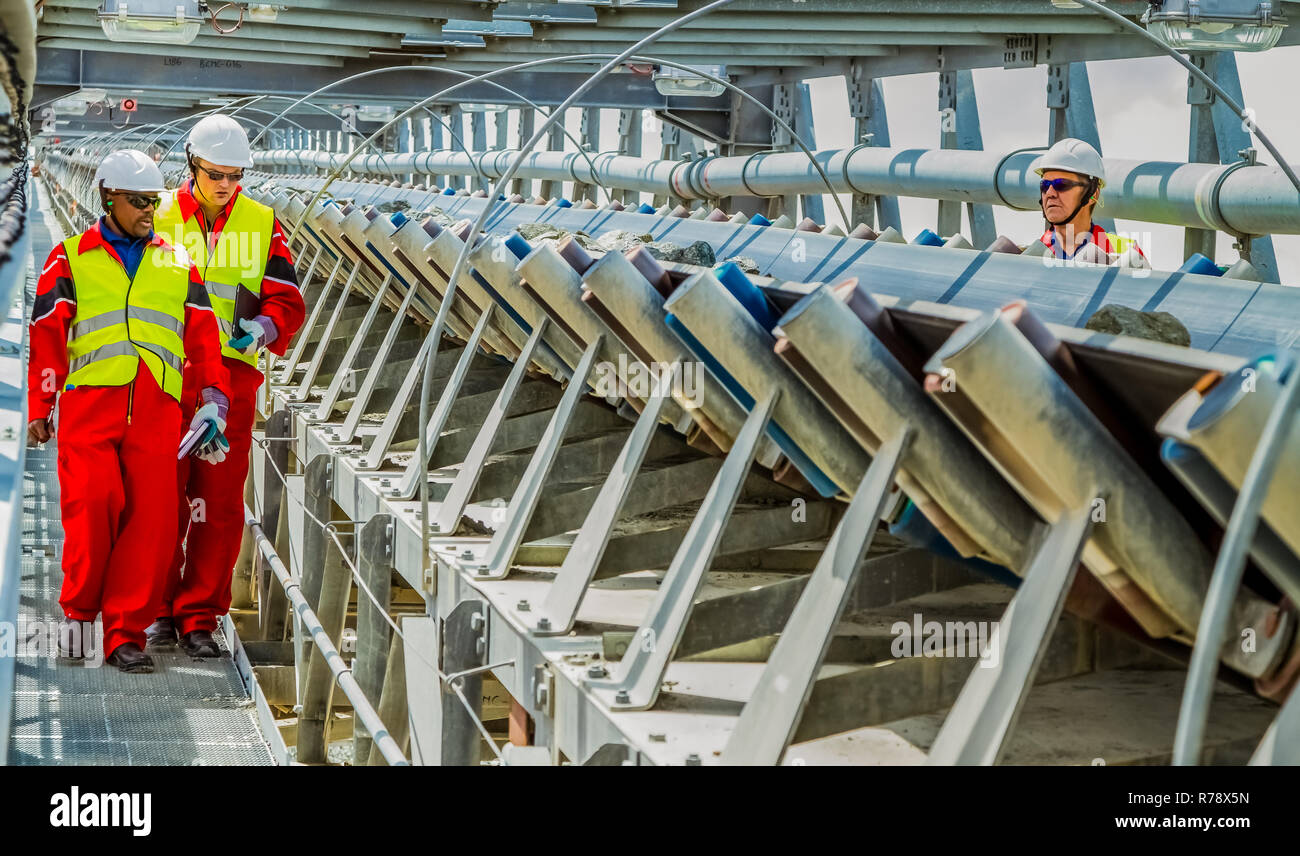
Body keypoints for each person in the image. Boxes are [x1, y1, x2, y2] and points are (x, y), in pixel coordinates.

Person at [27, 149, 231, 674]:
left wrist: (214, 399)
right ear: (107, 198)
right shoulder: (70, 257)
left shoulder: (177, 264)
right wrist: (40, 404)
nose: (149, 211)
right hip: (90, 408)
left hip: (157, 411)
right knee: (92, 510)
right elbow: (48, 335)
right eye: (138, 201)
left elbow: (204, 340)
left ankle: (124, 634)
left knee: (153, 525)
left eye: (154, 202)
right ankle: (79, 618)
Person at [148, 114, 306, 657]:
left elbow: (286, 296)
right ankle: (156, 611)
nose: (226, 185)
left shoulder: (263, 223)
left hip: (232, 386)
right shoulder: (158, 214)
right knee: (161, 500)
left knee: (216, 506)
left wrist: (263, 327)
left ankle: (198, 618)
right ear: (192, 165)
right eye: (216, 174)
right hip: (169, 382)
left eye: (236, 176)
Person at [1032, 138, 1148, 268]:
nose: (1050, 193)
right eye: (1045, 185)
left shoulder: (1125, 253)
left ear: (1093, 194)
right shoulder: (1030, 257)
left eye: (1061, 184)